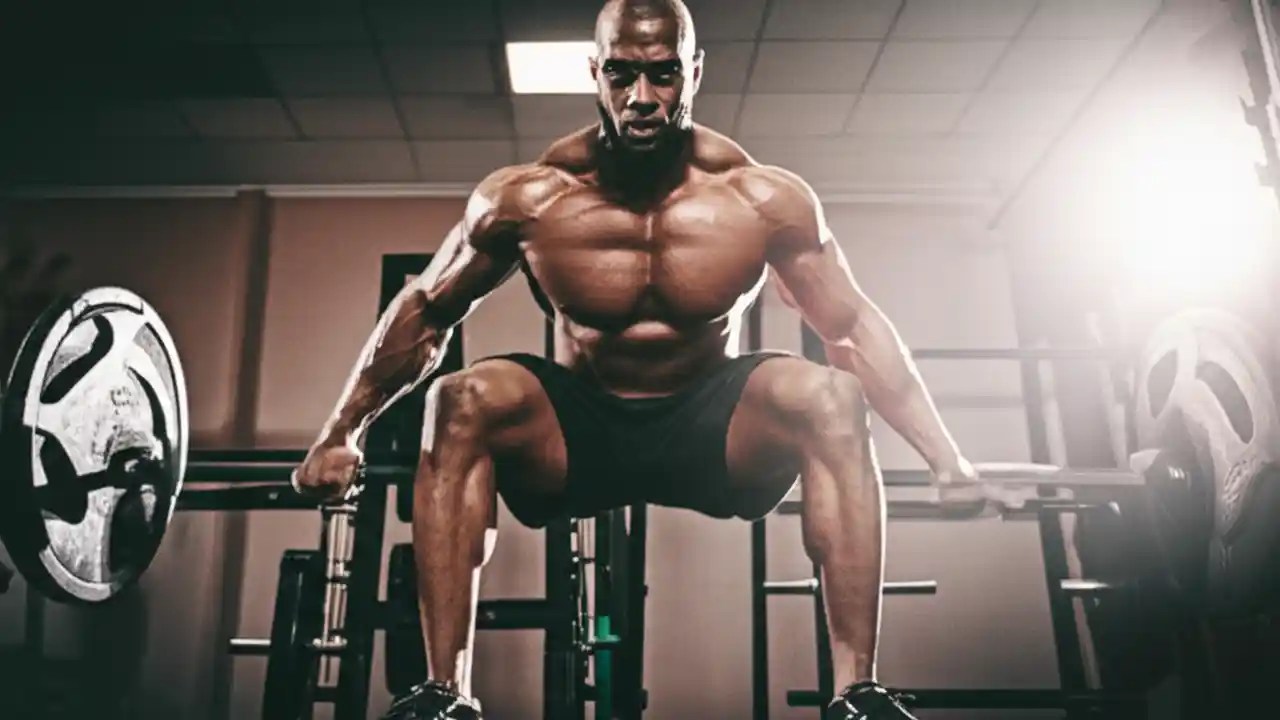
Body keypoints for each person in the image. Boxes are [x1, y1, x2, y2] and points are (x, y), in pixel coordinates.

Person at [294, 1, 978, 718]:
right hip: (580, 433)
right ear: (595, 72)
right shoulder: (528, 196)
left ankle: (855, 693)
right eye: (621, 75)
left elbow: (852, 325)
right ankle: (445, 695)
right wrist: (341, 433)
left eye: (663, 75)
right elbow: (428, 309)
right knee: (460, 399)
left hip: (712, 427)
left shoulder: (762, 198)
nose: (642, 98)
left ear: (694, 73)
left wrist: (946, 459)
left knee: (830, 397)